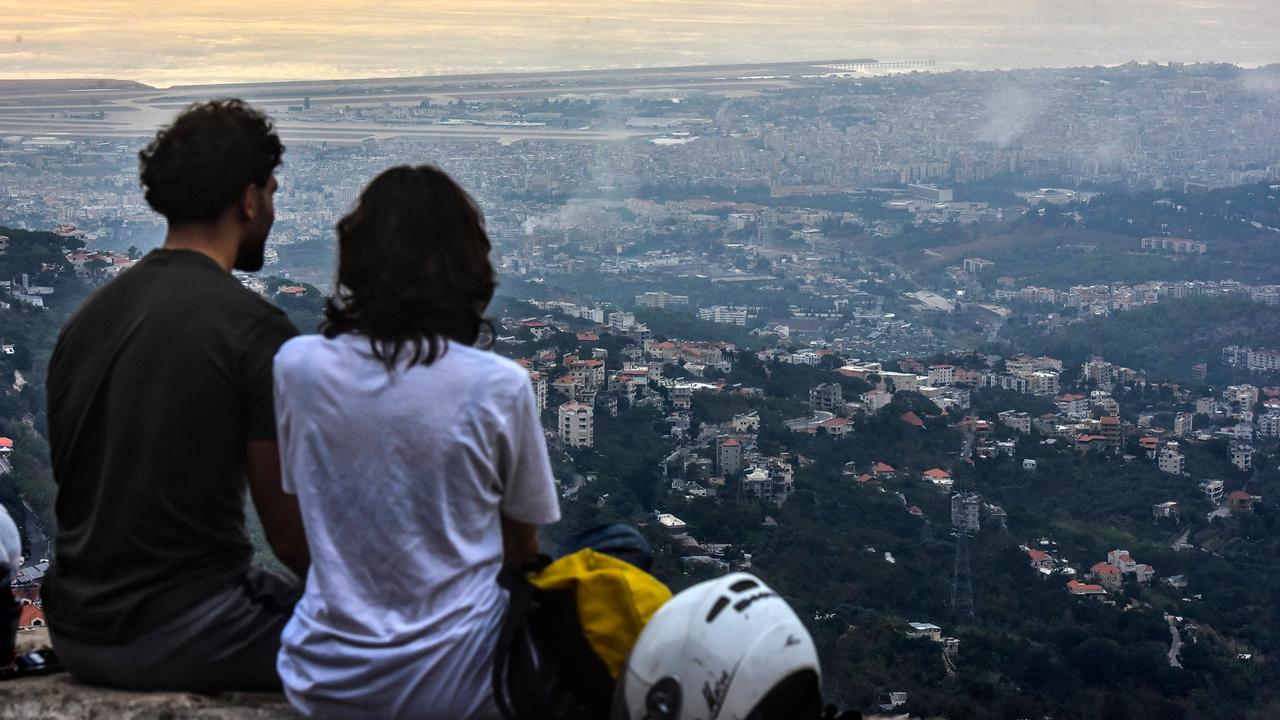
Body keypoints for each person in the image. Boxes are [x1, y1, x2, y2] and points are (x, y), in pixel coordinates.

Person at [273, 165, 560, 719]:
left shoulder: (297, 368)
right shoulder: (500, 384)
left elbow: (302, 510)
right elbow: (521, 550)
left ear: (355, 258)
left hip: (325, 679)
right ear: (469, 263)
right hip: (463, 686)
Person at [43, 99, 309, 692]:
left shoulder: (85, 320)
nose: (271, 208)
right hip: (188, 628)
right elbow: (289, 536)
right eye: (271, 192)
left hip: (75, 628)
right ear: (248, 198)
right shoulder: (254, 330)